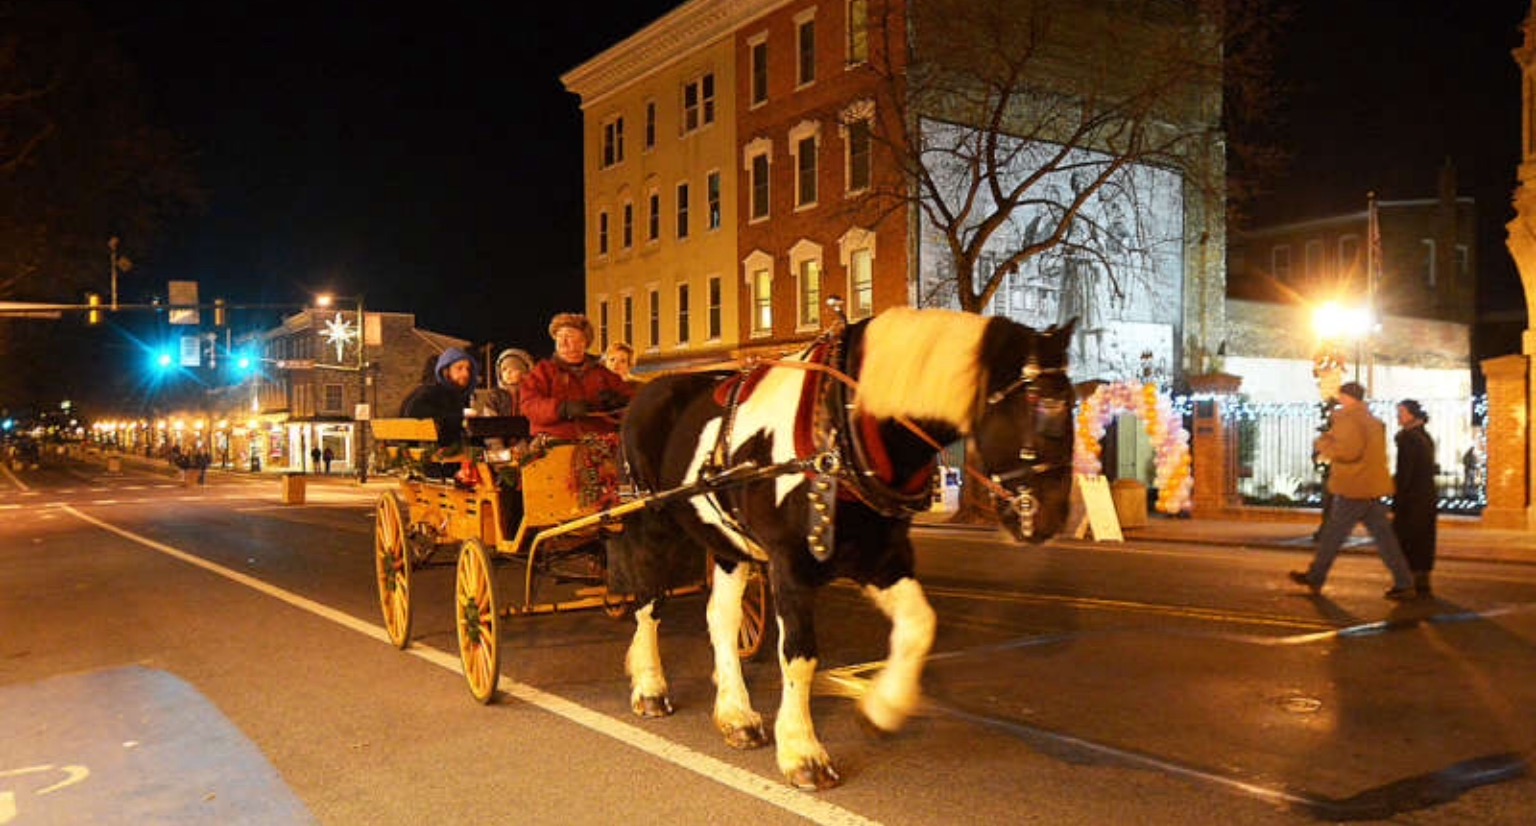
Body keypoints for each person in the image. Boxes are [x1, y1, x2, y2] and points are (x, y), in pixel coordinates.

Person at [1289, 381, 1417, 600]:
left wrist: (1323, 445)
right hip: (1371, 487)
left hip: (1353, 487)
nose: (1339, 399)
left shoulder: (1348, 418)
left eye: (1341, 395)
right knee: (1385, 539)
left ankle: (1316, 576)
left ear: (1347, 397)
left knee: (1333, 536)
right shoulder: (1372, 421)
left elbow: (1348, 452)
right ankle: (1404, 582)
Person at [521, 313, 632, 439]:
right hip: (556, 440)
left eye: (569, 336)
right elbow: (529, 404)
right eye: (559, 336)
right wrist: (561, 409)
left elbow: (632, 400)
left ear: (584, 341)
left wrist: (619, 403)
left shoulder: (602, 373)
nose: (562, 342)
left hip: (599, 441)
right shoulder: (543, 371)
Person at [1392, 399, 1437, 597]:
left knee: (1406, 541)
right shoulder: (1424, 436)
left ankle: (1406, 583)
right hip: (1426, 497)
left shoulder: (1408, 438)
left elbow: (1405, 473)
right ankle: (1422, 581)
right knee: (1423, 540)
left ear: (1412, 414)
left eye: (1401, 412)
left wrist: (1398, 498)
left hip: (1412, 500)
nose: (1398, 416)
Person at [401, 347, 479, 450]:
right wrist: (461, 415)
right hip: (435, 457)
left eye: (468, 369)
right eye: (459, 368)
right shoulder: (432, 391)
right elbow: (413, 412)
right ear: (446, 371)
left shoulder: (460, 395)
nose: (466, 374)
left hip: (450, 454)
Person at [478, 348, 534, 417]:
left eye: (514, 369)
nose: (508, 373)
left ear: (525, 373)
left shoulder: (532, 394)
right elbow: (490, 418)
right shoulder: (495, 396)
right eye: (504, 369)